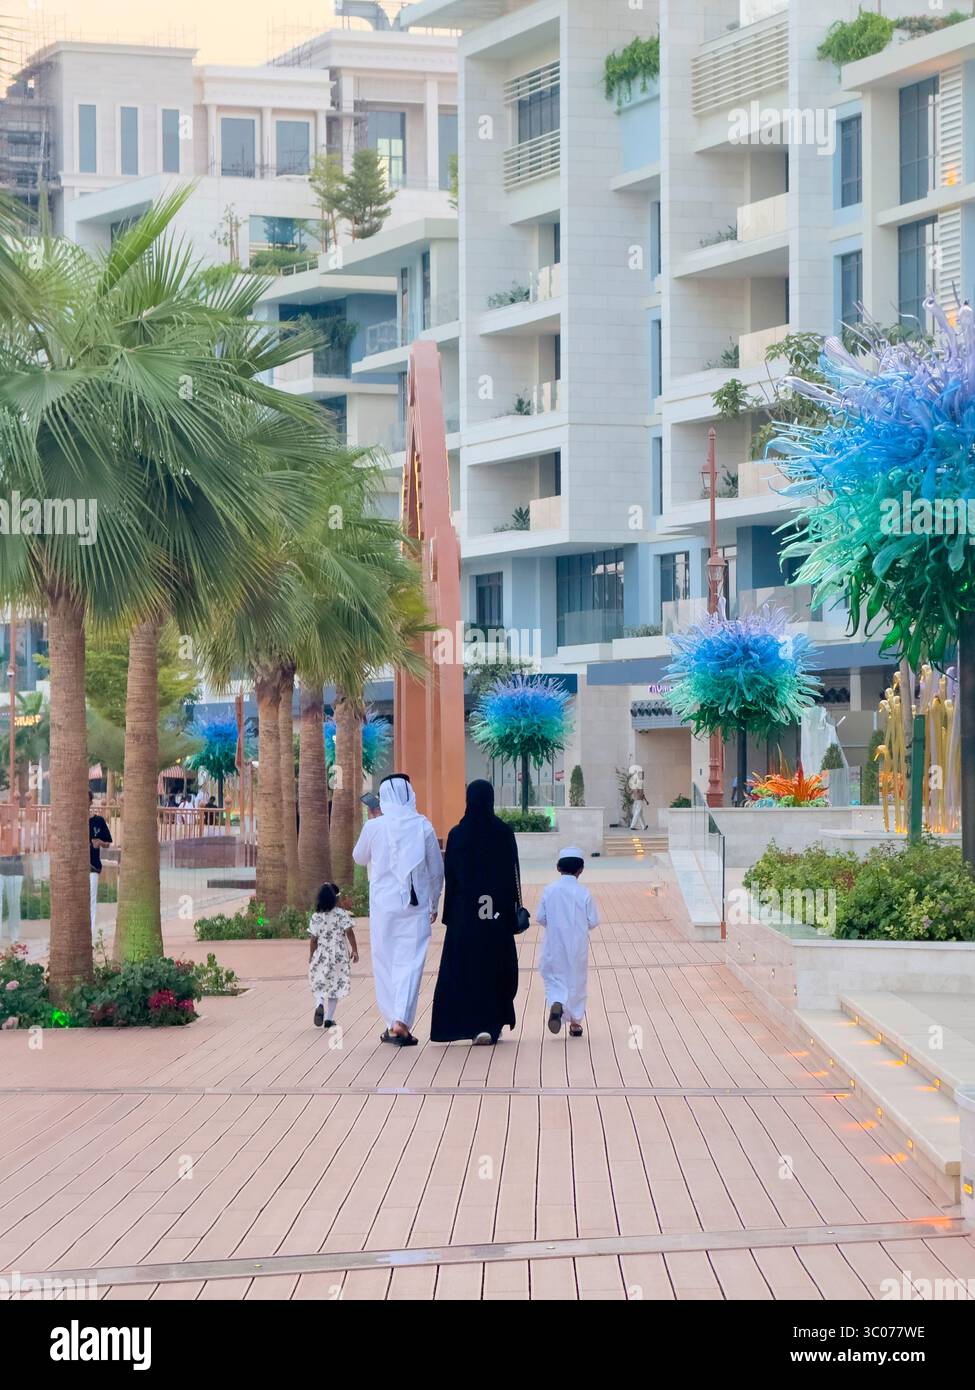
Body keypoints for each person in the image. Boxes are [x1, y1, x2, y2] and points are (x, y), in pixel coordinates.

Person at [353, 773, 443, 1046]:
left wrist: (372, 824)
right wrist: (434, 902)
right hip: (415, 907)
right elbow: (436, 871)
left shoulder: (375, 827)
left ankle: (393, 1022)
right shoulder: (423, 826)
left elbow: (359, 858)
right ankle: (400, 1022)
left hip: (383, 908)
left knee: (386, 962)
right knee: (411, 962)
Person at [430, 780, 520, 1047]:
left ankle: (469, 1024)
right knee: (495, 967)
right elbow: (512, 874)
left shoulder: (458, 834)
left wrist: (451, 915)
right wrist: (512, 910)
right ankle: (490, 1024)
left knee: (466, 969)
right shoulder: (504, 832)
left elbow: (452, 877)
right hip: (496, 917)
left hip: (465, 918)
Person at [536, 846, 599, 1038]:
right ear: (580, 869)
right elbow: (593, 921)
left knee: (555, 977)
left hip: (553, 944)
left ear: (558, 867)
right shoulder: (584, 893)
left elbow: (540, 917)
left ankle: (557, 1002)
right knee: (576, 982)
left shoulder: (549, 890)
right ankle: (575, 1023)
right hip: (577, 945)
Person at [308, 881, 359, 1029]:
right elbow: (349, 932)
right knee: (335, 985)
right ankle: (329, 1019)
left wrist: (311, 955)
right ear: (335, 899)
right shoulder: (341, 914)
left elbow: (313, 940)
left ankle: (319, 1004)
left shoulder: (316, 917)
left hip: (321, 954)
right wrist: (354, 950)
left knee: (319, 982)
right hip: (339, 955)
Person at [88, 791, 113, 936]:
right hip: (76, 868)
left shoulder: (98, 821)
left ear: (91, 802)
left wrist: (100, 842)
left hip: (93, 866)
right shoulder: (73, 821)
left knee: (91, 900)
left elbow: (108, 843)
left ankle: (90, 934)